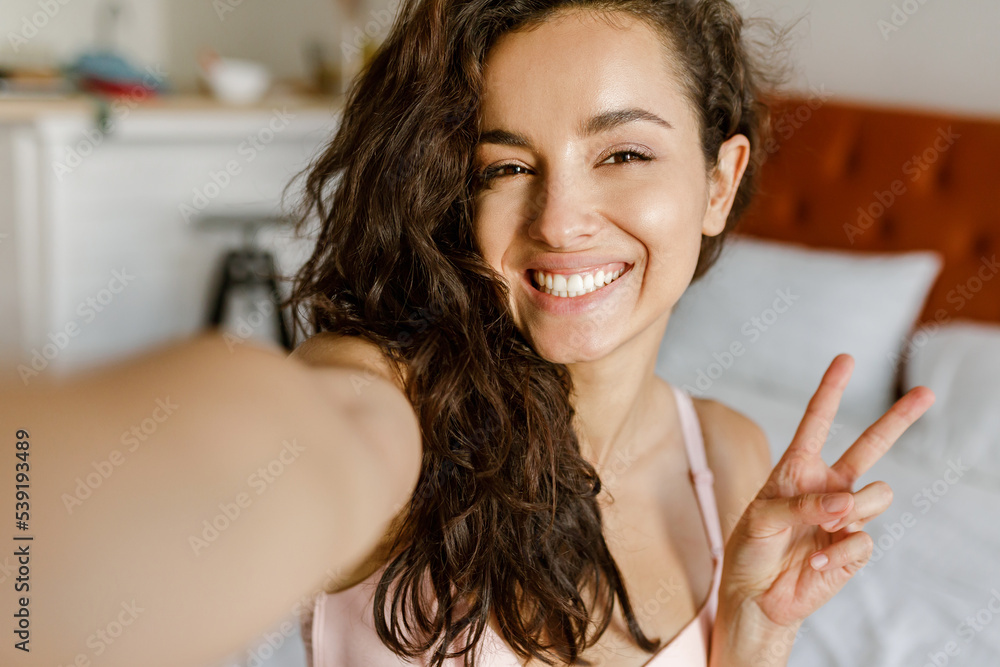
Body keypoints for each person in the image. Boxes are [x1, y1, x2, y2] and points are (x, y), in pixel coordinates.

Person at [0, 0, 935, 665]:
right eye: (505, 167)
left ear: (720, 183)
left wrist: (757, 635)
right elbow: (288, 438)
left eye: (622, 152)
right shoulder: (396, 405)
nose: (559, 220)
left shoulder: (730, 458)